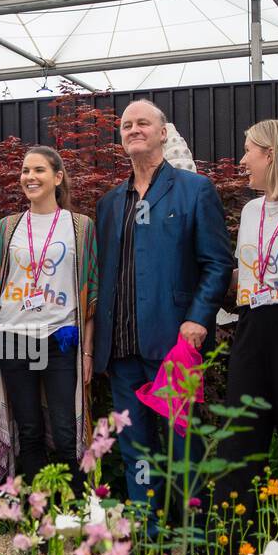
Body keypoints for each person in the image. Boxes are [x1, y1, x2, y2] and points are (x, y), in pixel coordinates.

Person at [91, 100, 234, 528]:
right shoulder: (110, 203)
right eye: (126, 125)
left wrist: (198, 318)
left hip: (175, 341)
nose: (134, 130)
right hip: (120, 346)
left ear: (163, 133)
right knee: (135, 446)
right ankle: (147, 531)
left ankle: (192, 536)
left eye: (143, 123)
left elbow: (217, 263)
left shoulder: (195, 189)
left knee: (181, 442)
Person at [207, 119, 278, 555]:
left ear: (271, 153)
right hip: (251, 324)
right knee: (239, 441)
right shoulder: (251, 209)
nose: (241, 160)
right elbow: (243, 273)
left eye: (248, 150)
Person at [0, 147, 98, 492]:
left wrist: (87, 352)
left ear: (57, 177)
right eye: (25, 171)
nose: (30, 177)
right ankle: (39, 515)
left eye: (39, 170)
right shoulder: (7, 228)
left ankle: (73, 511)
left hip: (61, 337)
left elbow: (90, 293)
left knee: (64, 431)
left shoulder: (80, 227)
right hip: (12, 337)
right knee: (28, 429)